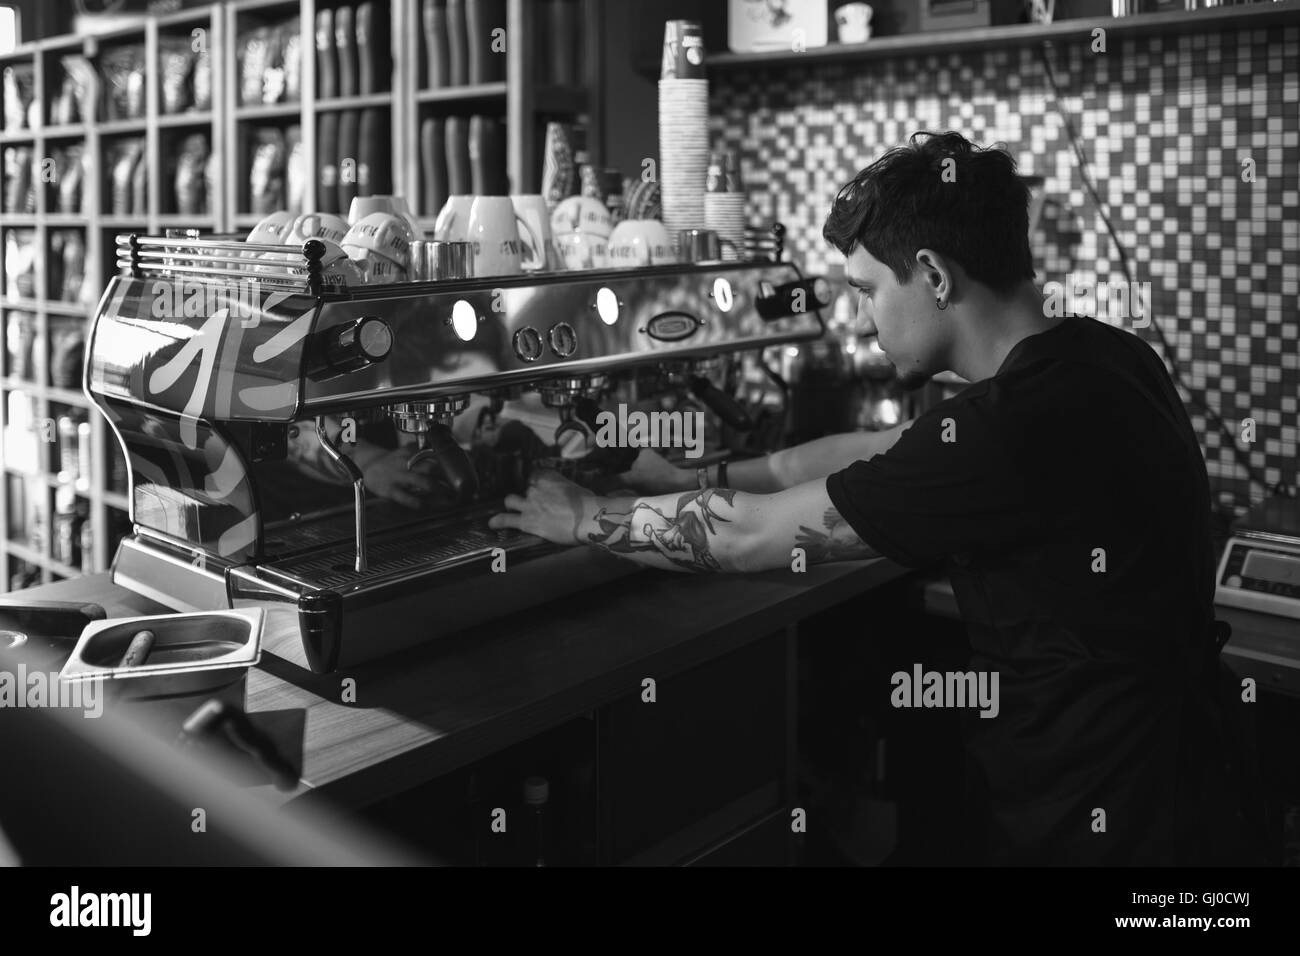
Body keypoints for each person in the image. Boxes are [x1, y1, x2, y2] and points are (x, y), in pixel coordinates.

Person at [491, 131, 1272, 866]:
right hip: (1193, 780)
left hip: (1103, 818)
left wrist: (581, 517)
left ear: (933, 275)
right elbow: (874, 454)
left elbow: (747, 540)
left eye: (867, 291)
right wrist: (697, 477)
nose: (863, 321)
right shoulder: (1105, 356)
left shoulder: (1009, 427)